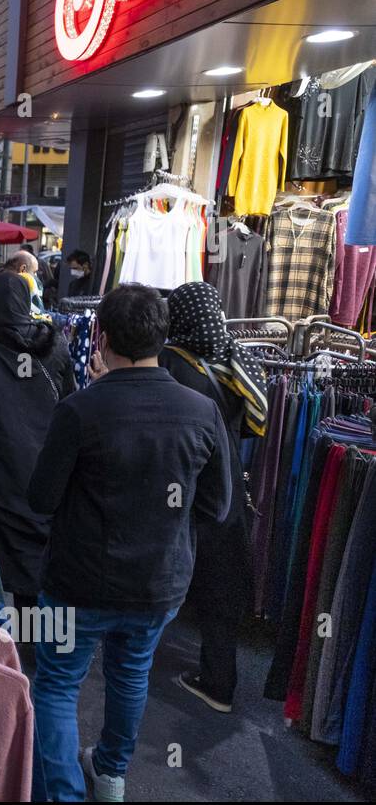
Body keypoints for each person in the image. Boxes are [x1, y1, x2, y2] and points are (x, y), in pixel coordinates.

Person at [26, 283, 232, 802]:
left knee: (56, 685)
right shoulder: (201, 409)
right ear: (161, 338)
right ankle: (111, 773)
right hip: (158, 581)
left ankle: (67, 793)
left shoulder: (80, 410)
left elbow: (42, 498)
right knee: (130, 673)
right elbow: (217, 506)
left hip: (78, 582)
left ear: (103, 336)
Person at [158, 282, 268, 713]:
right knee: (222, 586)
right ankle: (220, 680)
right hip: (226, 491)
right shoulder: (239, 360)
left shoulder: (171, 361)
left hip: (180, 493)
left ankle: (133, 661)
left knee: (165, 577)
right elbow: (251, 426)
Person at [0, 273, 76, 629]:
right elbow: (69, 399)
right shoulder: (54, 343)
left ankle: (0, 644)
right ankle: (40, 640)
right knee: (37, 559)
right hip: (44, 465)